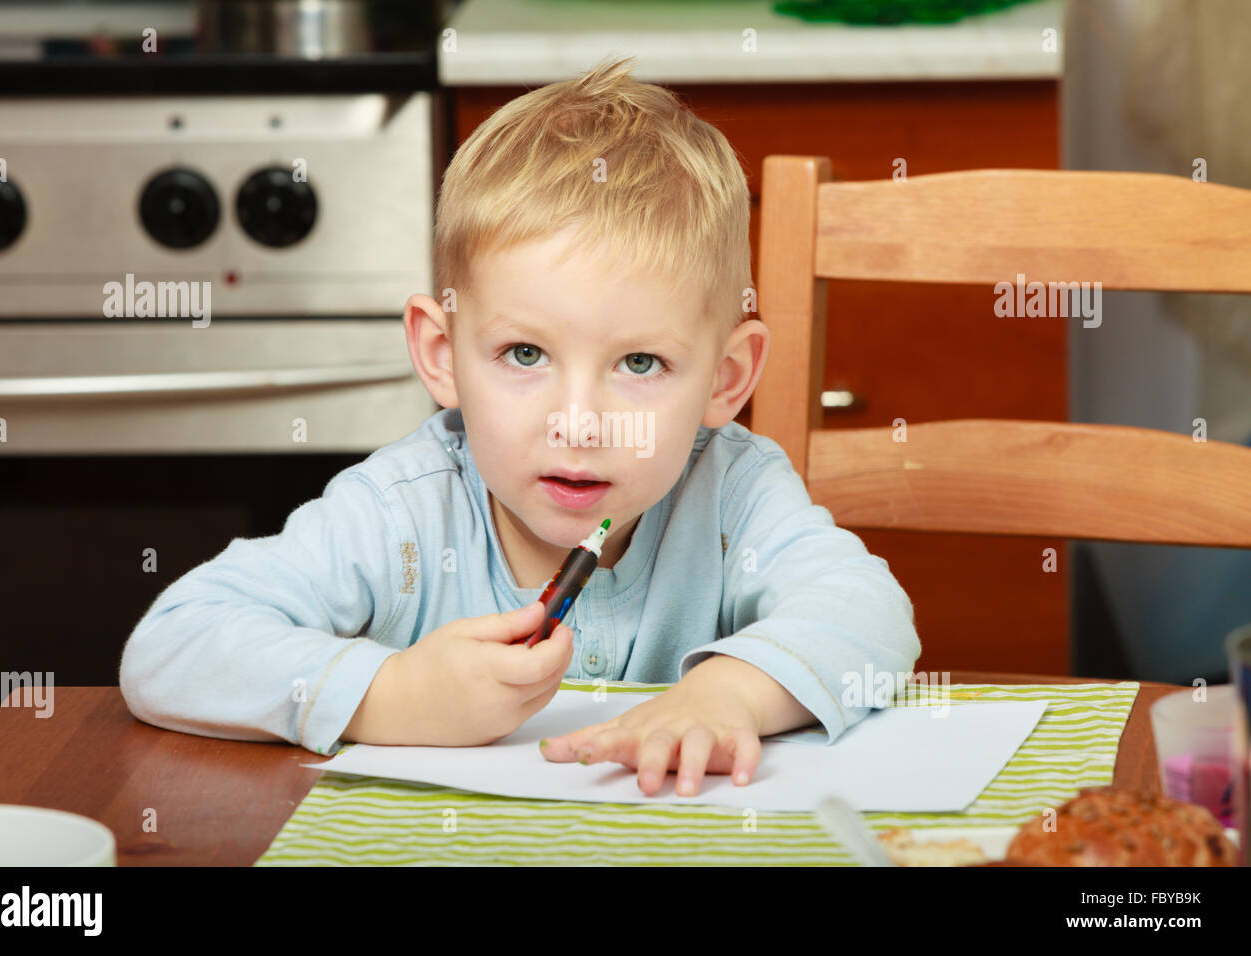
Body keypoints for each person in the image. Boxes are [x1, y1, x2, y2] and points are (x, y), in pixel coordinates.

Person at [119, 56, 920, 798]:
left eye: (640, 364)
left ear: (727, 379)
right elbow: (173, 646)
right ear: (442, 355)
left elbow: (870, 615)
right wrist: (392, 697)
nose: (577, 425)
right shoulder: (403, 512)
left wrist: (727, 695)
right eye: (525, 352)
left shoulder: (736, 493)